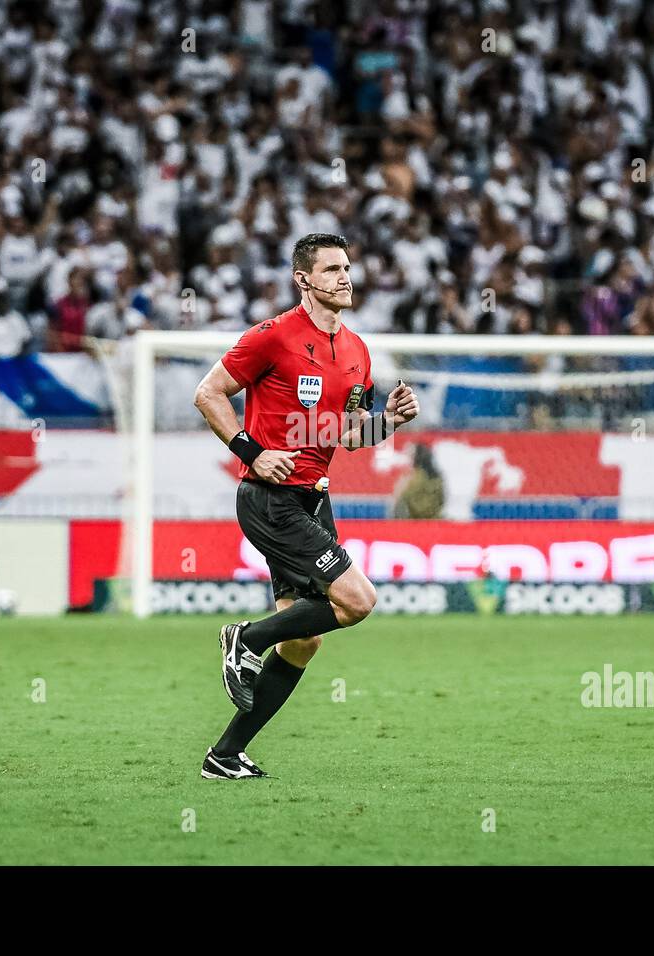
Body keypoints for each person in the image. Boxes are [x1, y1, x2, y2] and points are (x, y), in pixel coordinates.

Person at [191, 233, 420, 779]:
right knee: (359, 601)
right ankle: (244, 638)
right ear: (304, 280)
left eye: (348, 267)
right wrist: (251, 452)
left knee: (305, 639)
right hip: (271, 500)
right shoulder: (272, 336)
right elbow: (208, 393)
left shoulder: (359, 351)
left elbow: (347, 435)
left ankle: (224, 755)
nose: (346, 277)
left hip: (314, 499)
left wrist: (390, 421)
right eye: (333, 269)